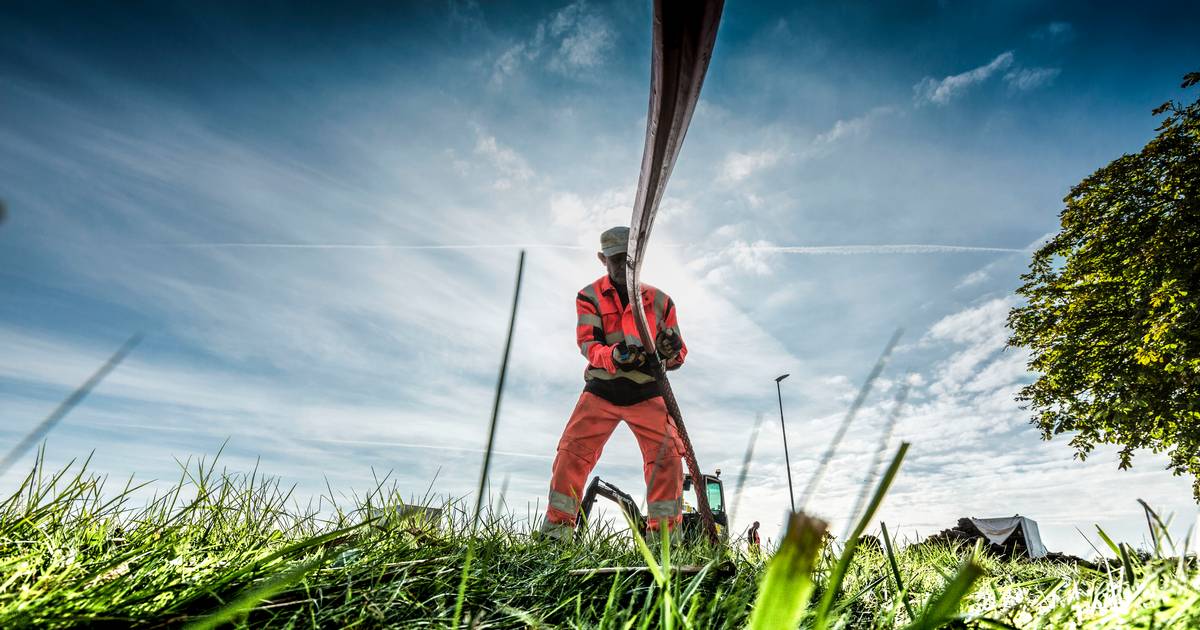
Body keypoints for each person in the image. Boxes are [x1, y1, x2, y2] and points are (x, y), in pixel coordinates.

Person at [537, 226, 688, 541]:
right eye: (615, 260)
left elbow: (678, 354)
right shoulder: (589, 296)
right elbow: (588, 345)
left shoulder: (661, 301)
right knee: (571, 455)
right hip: (602, 390)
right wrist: (614, 356)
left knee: (668, 460)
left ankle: (664, 542)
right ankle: (556, 535)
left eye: (628, 259)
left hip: (647, 392)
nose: (622, 267)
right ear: (602, 259)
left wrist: (670, 351)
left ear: (639, 257)